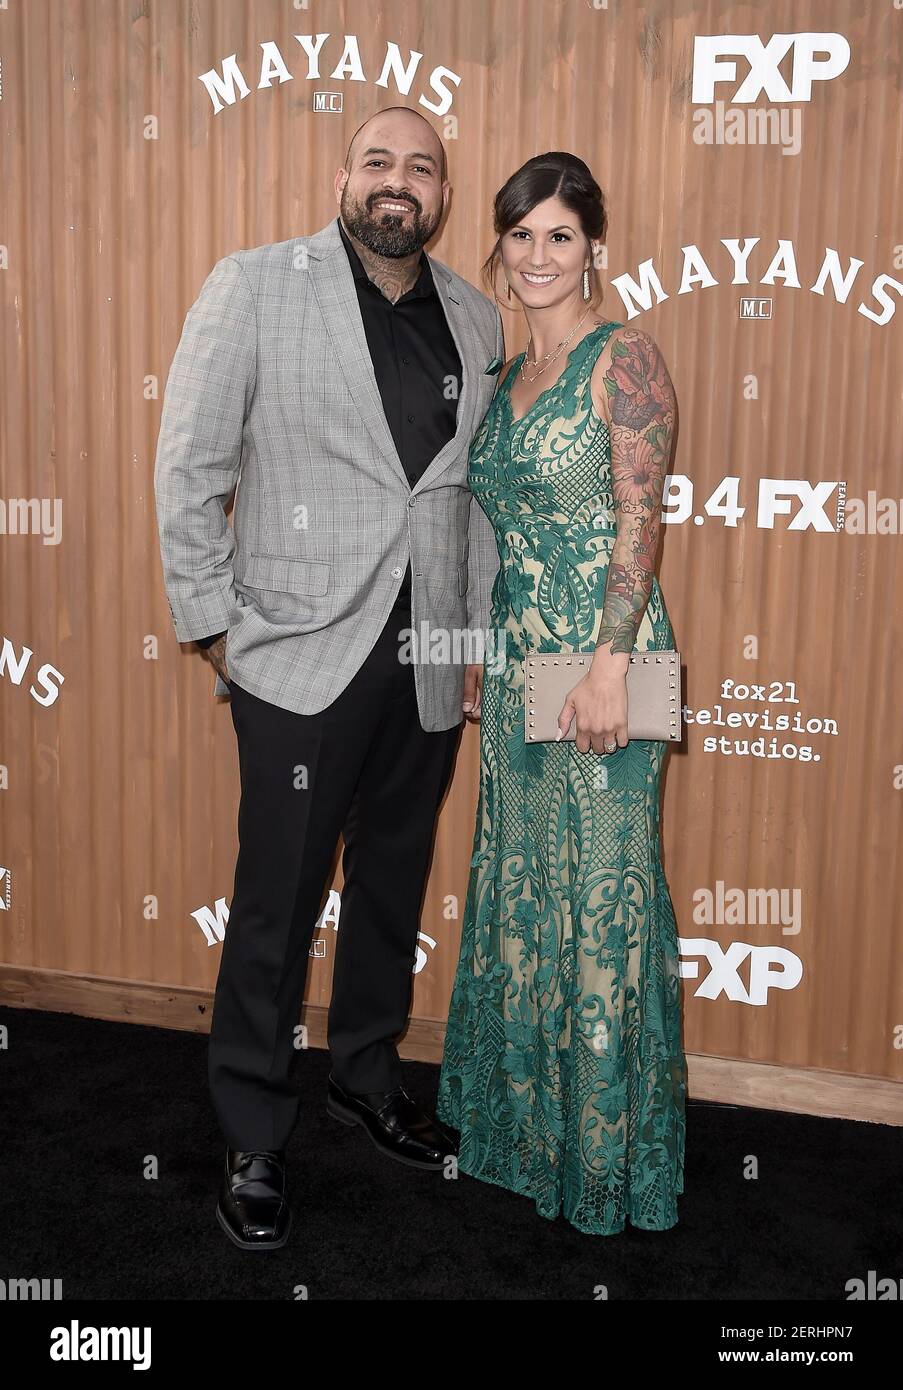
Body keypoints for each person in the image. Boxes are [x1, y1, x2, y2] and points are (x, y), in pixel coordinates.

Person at [154, 106, 504, 1250]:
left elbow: (467, 504)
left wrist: (467, 644)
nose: (398, 182)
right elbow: (191, 462)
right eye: (378, 162)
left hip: (429, 655)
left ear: (441, 196)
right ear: (343, 176)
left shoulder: (476, 315)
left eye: (422, 167)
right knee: (279, 897)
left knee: (392, 882)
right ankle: (254, 1127)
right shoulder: (255, 284)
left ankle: (365, 1073)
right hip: (297, 653)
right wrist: (218, 628)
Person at [437, 152, 687, 1236]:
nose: (540, 255)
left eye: (561, 236)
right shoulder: (504, 376)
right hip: (521, 658)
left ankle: (607, 1170)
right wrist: (491, 660)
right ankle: (529, 1143)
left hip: (604, 660)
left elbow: (642, 523)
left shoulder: (621, 358)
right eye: (522, 235)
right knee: (526, 898)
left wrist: (608, 669)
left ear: (594, 249)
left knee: (604, 910)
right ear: (500, 247)